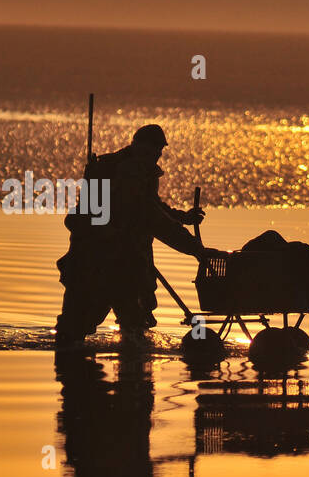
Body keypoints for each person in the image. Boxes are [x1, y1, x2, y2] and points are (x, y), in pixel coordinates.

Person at [54, 124, 212, 348]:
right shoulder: (127, 174)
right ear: (136, 147)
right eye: (151, 151)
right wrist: (196, 249)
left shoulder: (126, 171)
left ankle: (118, 364)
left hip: (115, 264)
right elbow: (155, 219)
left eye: (158, 151)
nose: (155, 156)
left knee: (126, 324)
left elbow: (154, 209)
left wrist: (182, 218)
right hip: (102, 265)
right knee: (94, 324)